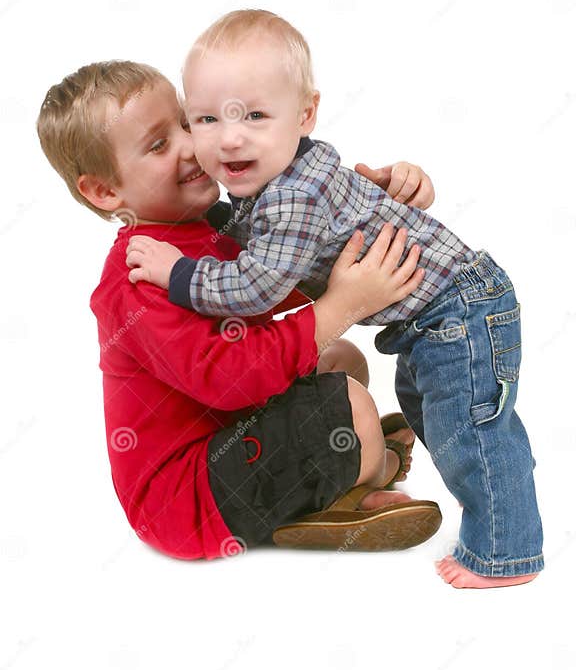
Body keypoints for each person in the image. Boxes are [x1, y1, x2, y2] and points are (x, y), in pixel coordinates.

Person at [127, 9, 544, 588]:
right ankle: (386, 468)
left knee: (470, 432)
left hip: (458, 313)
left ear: (305, 114)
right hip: (438, 320)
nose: (229, 137)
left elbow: (254, 287)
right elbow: (260, 238)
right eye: (205, 118)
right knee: (437, 414)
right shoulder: (285, 177)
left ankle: (505, 557)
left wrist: (178, 272)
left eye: (254, 115)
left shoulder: (293, 198)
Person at [36, 59, 442, 562]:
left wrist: (376, 205)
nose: (191, 145)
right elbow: (230, 378)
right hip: (190, 498)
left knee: (342, 359)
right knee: (352, 406)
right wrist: (341, 305)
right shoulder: (139, 275)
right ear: (105, 190)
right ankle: (366, 471)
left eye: (187, 123)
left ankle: (341, 474)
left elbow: (283, 274)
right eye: (160, 145)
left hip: (229, 428)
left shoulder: (210, 223)